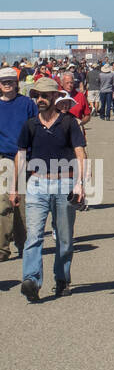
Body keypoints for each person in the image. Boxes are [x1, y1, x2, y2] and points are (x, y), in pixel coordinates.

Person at [13, 78, 87, 301]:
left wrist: (80, 184)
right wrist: (15, 186)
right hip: (37, 184)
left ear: (55, 97)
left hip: (64, 183)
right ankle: (32, 281)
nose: (40, 99)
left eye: (45, 95)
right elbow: (21, 154)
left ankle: (62, 278)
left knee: (64, 238)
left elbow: (80, 154)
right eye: (37, 96)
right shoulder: (30, 125)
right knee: (33, 236)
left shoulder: (68, 123)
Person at [0, 66, 36, 262]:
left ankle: (23, 245)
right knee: (3, 204)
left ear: (16, 83)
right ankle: (2, 249)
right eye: (4, 81)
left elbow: (35, 127)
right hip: (4, 158)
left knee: (21, 204)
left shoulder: (27, 104)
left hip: (24, 156)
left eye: (10, 81)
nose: (7, 84)